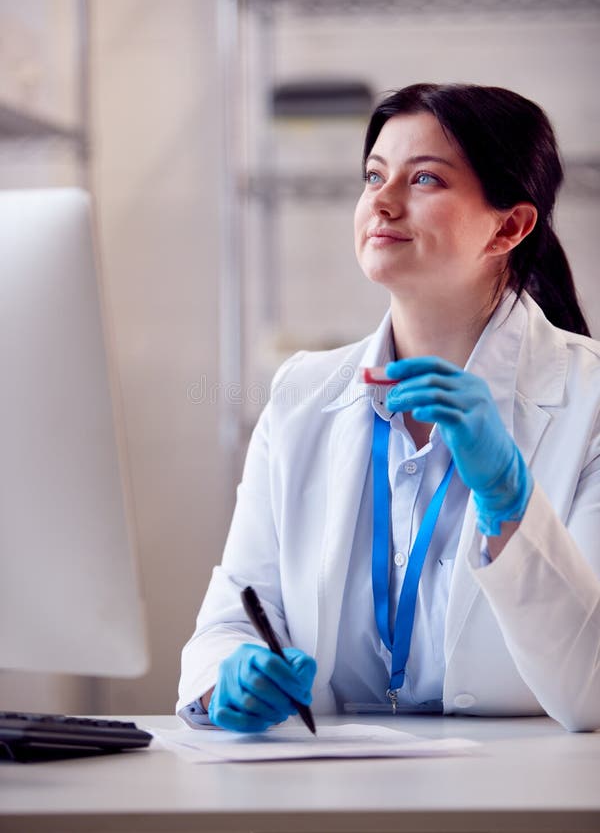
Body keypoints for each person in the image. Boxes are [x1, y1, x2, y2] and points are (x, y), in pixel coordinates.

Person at [178, 83, 600, 734]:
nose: (382, 199)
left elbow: (592, 689)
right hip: (332, 792)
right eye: (374, 175)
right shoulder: (300, 394)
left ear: (509, 226)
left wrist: (512, 508)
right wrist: (228, 676)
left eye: (424, 178)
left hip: (527, 796)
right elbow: (235, 615)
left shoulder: (591, 399)